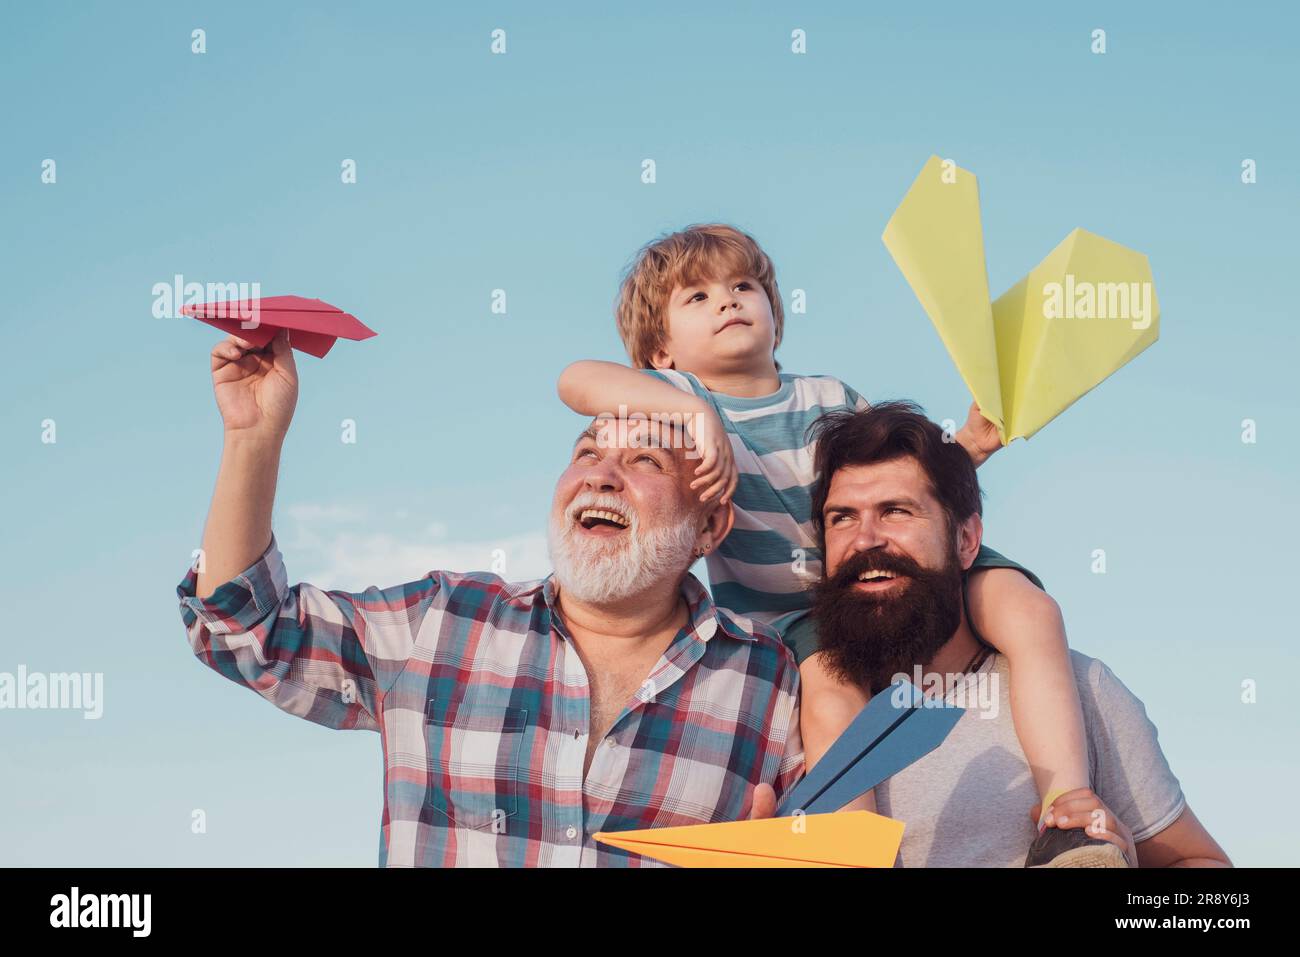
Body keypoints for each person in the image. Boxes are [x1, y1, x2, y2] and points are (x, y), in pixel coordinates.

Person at [558, 223, 1097, 863]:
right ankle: (858, 852)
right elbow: (575, 379)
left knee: (1030, 608)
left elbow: (901, 485)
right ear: (662, 352)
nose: (728, 301)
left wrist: (970, 448)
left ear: (774, 317)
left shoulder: (830, 397)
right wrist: (699, 418)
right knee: (832, 694)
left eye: (743, 286)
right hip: (799, 615)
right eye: (696, 298)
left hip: (895, 568)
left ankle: (1068, 818)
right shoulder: (680, 399)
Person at [176, 328, 801, 867]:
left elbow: (834, 840)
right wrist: (252, 438)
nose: (601, 474)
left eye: (647, 461)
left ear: (710, 529)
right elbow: (245, 631)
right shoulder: (443, 622)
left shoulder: (770, 682)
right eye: (586, 452)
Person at [803, 400, 1230, 866]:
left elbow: (1199, 860)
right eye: (841, 517)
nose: (865, 539)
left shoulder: (1081, 691)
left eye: (897, 511)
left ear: (967, 541)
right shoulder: (785, 710)